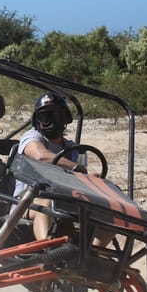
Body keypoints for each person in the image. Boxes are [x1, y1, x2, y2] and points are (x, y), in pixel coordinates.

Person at [13, 92, 86, 241]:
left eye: (58, 115)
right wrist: (76, 168)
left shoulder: (74, 149)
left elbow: (84, 180)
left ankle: (93, 250)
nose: (52, 120)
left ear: (65, 118)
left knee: (105, 213)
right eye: (45, 116)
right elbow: (40, 155)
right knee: (47, 205)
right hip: (27, 202)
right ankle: (46, 246)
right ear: (37, 120)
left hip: (64, 203)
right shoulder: (32, 137)